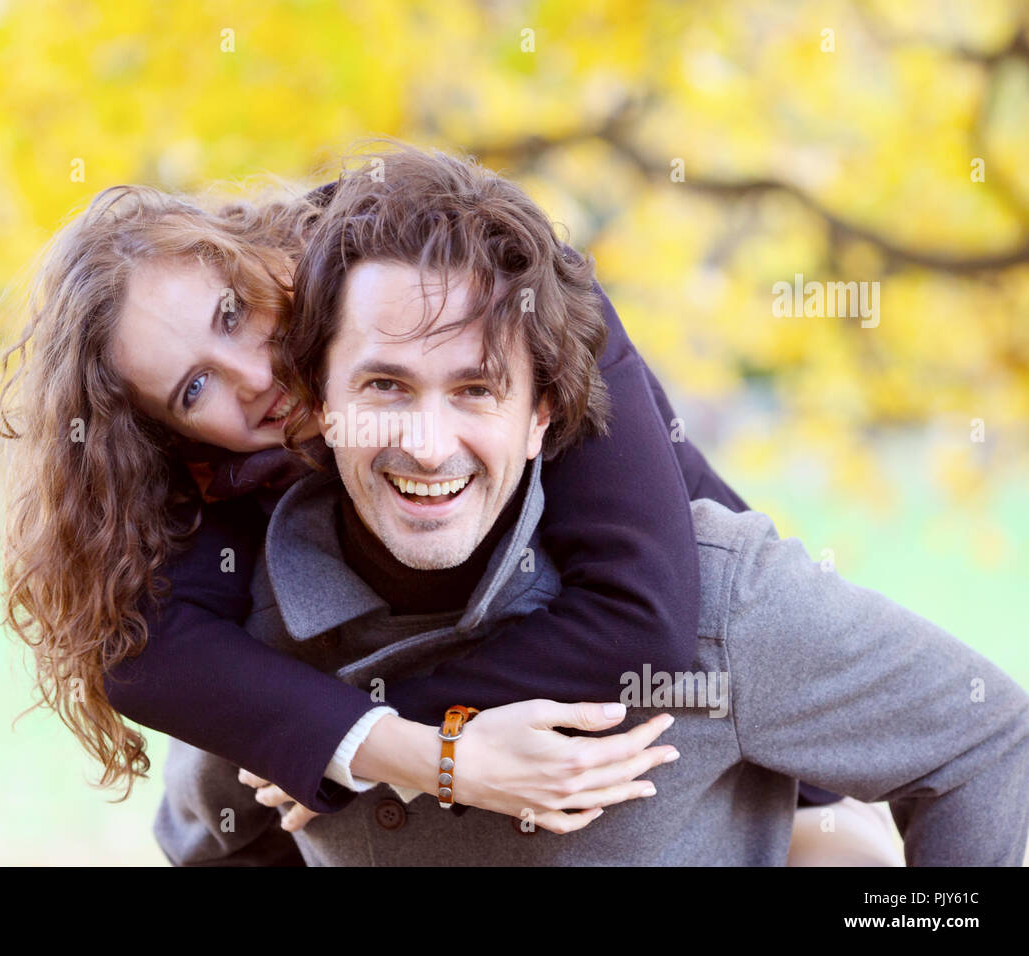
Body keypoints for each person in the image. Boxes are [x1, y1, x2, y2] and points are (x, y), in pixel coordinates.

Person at [0, 140, 872, 860]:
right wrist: (417, 757)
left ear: (248, 247)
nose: (255, 377)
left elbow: (638, 623)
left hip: (747, 763)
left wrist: (364, 744)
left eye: (231, 314)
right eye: (192, 390)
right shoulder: (214, 465)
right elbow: (138, 652)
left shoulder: (495, 284)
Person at [155, 149, 1029, 865]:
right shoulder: (256, 649)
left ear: (541, 415)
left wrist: (396, 745)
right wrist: (361, 745)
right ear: (319, 401)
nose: (426, 442)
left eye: (474, 389)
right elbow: (219, 842)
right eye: (384, 386)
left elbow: (985, 738)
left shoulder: (724, 600)